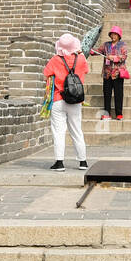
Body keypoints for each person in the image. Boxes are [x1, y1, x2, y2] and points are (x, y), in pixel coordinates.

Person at [42, 33, 89, 170]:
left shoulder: (55, 59)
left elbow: (46, 75)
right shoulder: (81, 58)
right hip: (75, 100)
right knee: (77, 130)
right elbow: (86, 71)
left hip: (58, 99)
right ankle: (83, 161)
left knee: (58, 132)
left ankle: (59, 162)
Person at [89, 26, 127, 120]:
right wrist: (92, 51)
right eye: (112, 34)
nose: (113, 36)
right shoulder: (106, 45)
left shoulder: (122, 45)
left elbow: (124, 56)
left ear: (119, 36)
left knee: (118, 94)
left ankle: (119, 113)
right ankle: (107, 113)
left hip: (117, 73)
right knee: (107, 94)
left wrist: (114, 58)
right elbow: (99, 51)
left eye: (115, 34)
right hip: (107, 73)